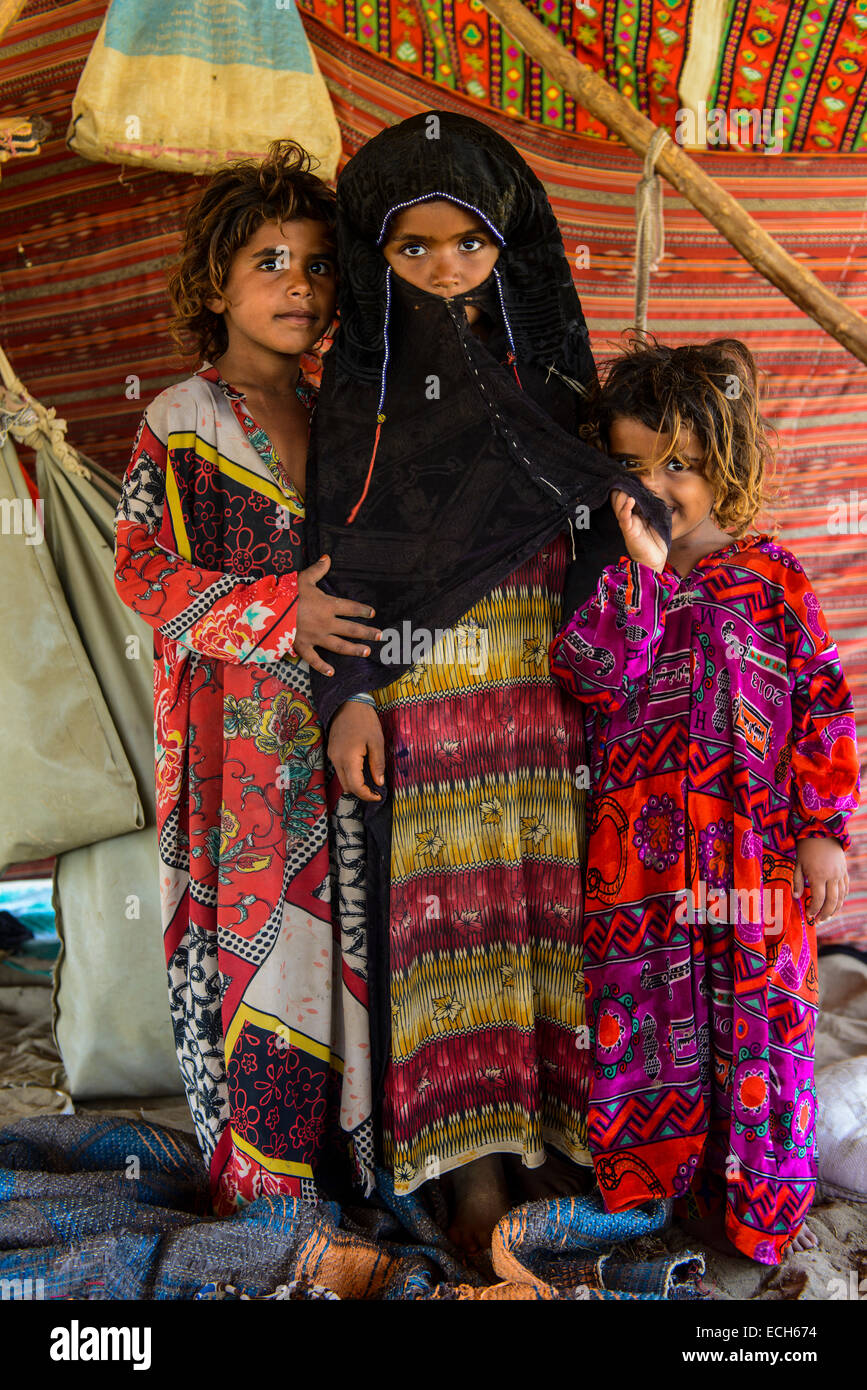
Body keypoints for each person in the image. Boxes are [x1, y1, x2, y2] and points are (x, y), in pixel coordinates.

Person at [304, 111, 669, 1253]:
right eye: (411, 249)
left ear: (510, 251)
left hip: (545, 707)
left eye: (467, 245)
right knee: (445, 929)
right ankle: (468, 1177)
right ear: (376, 262)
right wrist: (352, 692)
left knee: (550, 922)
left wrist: (629, 534)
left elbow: (619, 539)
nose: (443, 270)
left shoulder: (556, 398)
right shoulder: (357, 409)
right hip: (426, 715)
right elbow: (336, 556)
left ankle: (552, 1146)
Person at [549, 336, 860, 1263]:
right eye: (635, 465)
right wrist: (639, 576)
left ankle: (755, 1211)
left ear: (726, 462)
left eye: (678, 464)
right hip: (640, 872)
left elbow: (823, 714)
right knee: (643, 1025)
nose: (657, 485)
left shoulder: (775, 583)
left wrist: (821, 834)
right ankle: (651, 1203)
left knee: (757, 1026)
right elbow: (591, 681)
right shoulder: (612, 585)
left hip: (753, 860)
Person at [113, 141, 381, 1212]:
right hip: (238, 768)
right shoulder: (181, 418)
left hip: (341, 739)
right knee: (259, 964)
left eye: (318, 265)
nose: (300, 287)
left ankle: (347, 1182)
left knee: (349, 962)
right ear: (214, 282)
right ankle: (264, 1200)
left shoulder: (346, 417)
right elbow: (137, 570)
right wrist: (282, 611)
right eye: (270, 261)